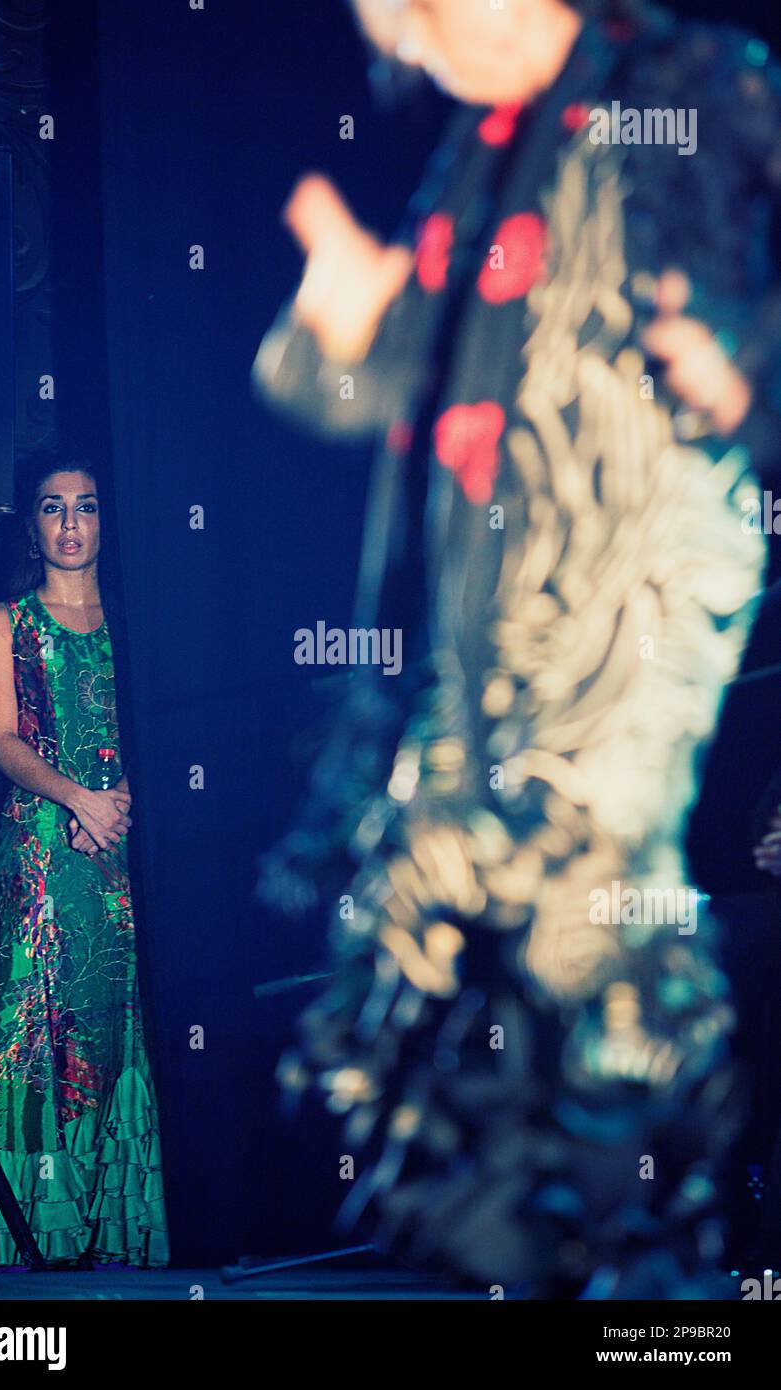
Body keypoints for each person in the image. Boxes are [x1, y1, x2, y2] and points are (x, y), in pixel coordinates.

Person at [254, 0, 781, 1295]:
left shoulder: (690, 88)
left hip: (620, 635)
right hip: (471, 665)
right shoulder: (482, 151)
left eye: (420, 19)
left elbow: (750, 334)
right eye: (394, 35)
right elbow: (376, 386)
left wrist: (749, 371)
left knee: (596, 1013)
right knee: (442, 1062)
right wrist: (334, 336)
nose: (412, 54)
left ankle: (666, 1267)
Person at [0, 457, 169, 1269]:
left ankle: (113, 1238)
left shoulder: (139, 623)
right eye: (53, 508)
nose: (70, 524)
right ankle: (17, 1241)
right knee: (32, 1030)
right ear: (30, 525)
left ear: (104, 521)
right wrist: (80, 801)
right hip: (37, 859)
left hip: (126, 860)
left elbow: (156, 736)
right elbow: (1, 745)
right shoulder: (3, 625)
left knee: (115, 1032)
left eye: (86, 507)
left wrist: (118, 802)